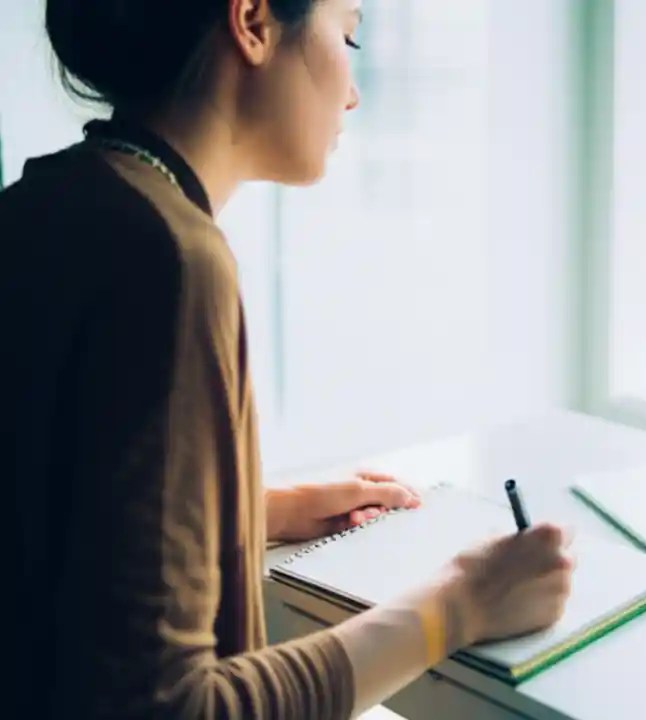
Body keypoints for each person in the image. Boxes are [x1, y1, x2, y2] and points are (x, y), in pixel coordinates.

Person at [1, 0, 575, 717]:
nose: (354, 91)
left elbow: (47, 520)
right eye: (348, 36)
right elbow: (165, 707)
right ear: (253, 22)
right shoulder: (169, 259)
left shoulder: (47, 202)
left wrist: (250, 512)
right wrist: (460, 603)